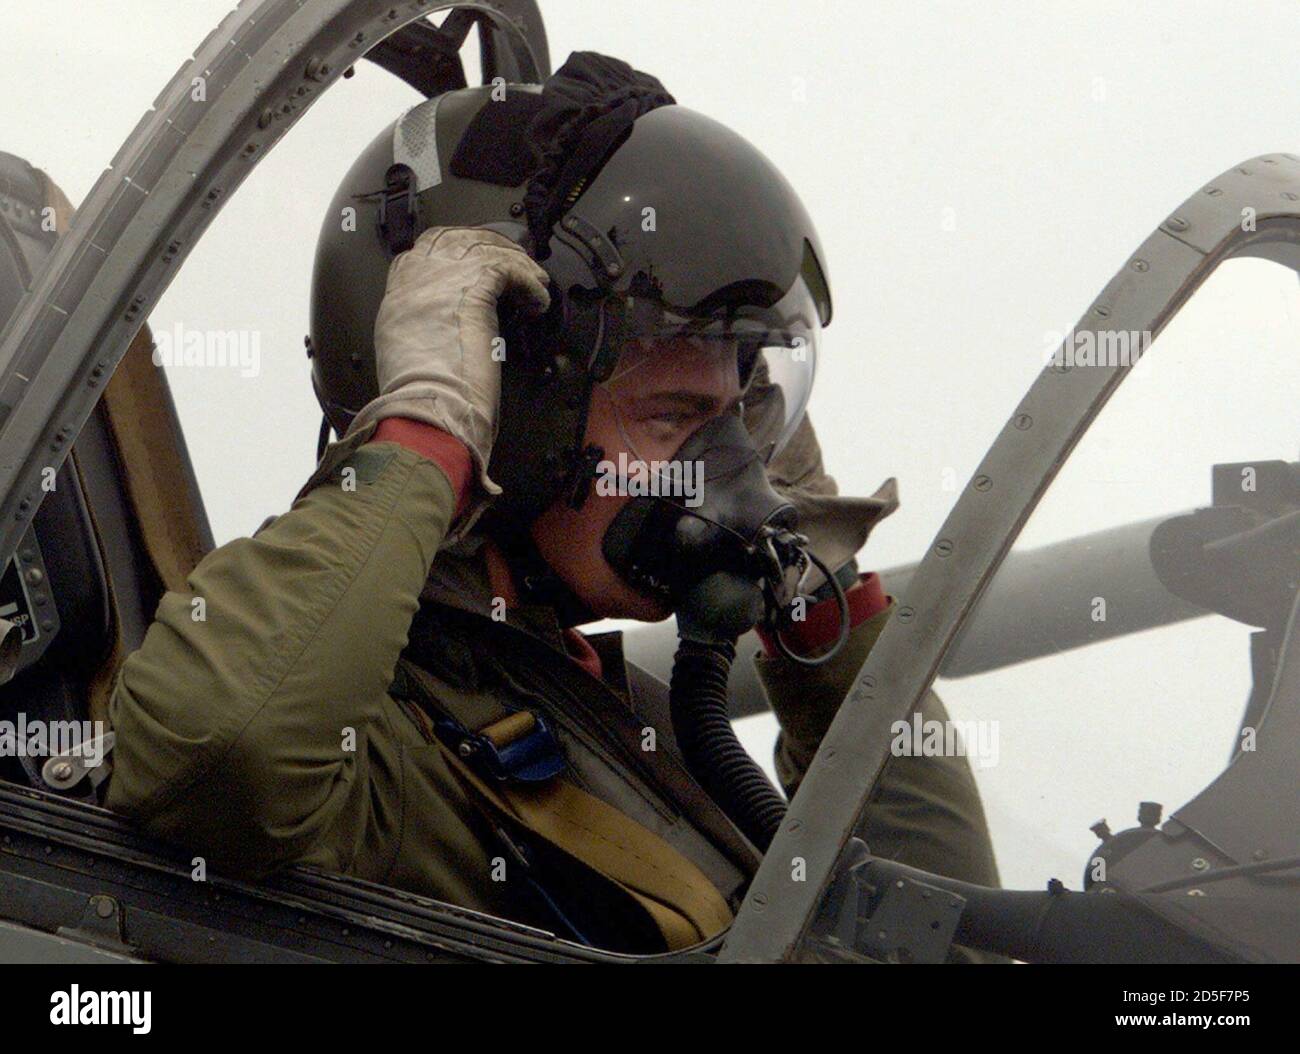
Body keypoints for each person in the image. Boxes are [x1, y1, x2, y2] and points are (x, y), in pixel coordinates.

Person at [104, 52, 998, 955]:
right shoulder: (386, 744)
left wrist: (811, 597)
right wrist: (432, 434)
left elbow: (949, 932)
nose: (722, 468)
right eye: (673, 417)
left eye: (738, 415)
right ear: (515, 423)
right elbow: (217, 753)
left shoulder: (622, 721)